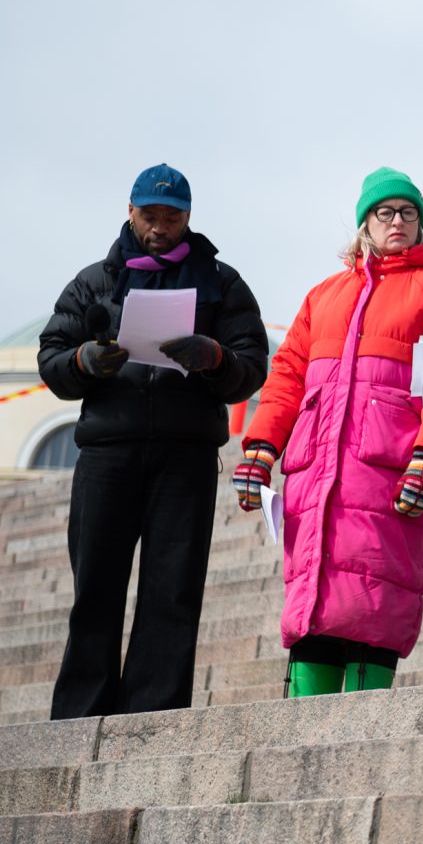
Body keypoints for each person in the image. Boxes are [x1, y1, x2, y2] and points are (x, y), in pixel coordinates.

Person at [38, 164, 270, 719]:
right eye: (150, 216)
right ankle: (78, 717)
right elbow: (52, 357)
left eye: (172, 217)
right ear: (130, 211)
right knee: (95, 588)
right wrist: (83, 361)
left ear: (188, 218)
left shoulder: (223, 283)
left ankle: (153, 716)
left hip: (184, 458)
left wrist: (216, 358)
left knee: (172, 592)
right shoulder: (93, 280)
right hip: (106, 457)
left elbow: (253, 364)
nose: (160, 228)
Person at [236, 168, 423, 692]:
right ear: (365, 221)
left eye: (408, 213)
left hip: (390, 471)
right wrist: (259, 448)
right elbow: (287, 378)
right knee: (312, 605)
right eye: (385, 212)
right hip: (313, 477)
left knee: (376, 602)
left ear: (421, 224)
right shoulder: (323, 295)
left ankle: (367, 733)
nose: (398, 221)